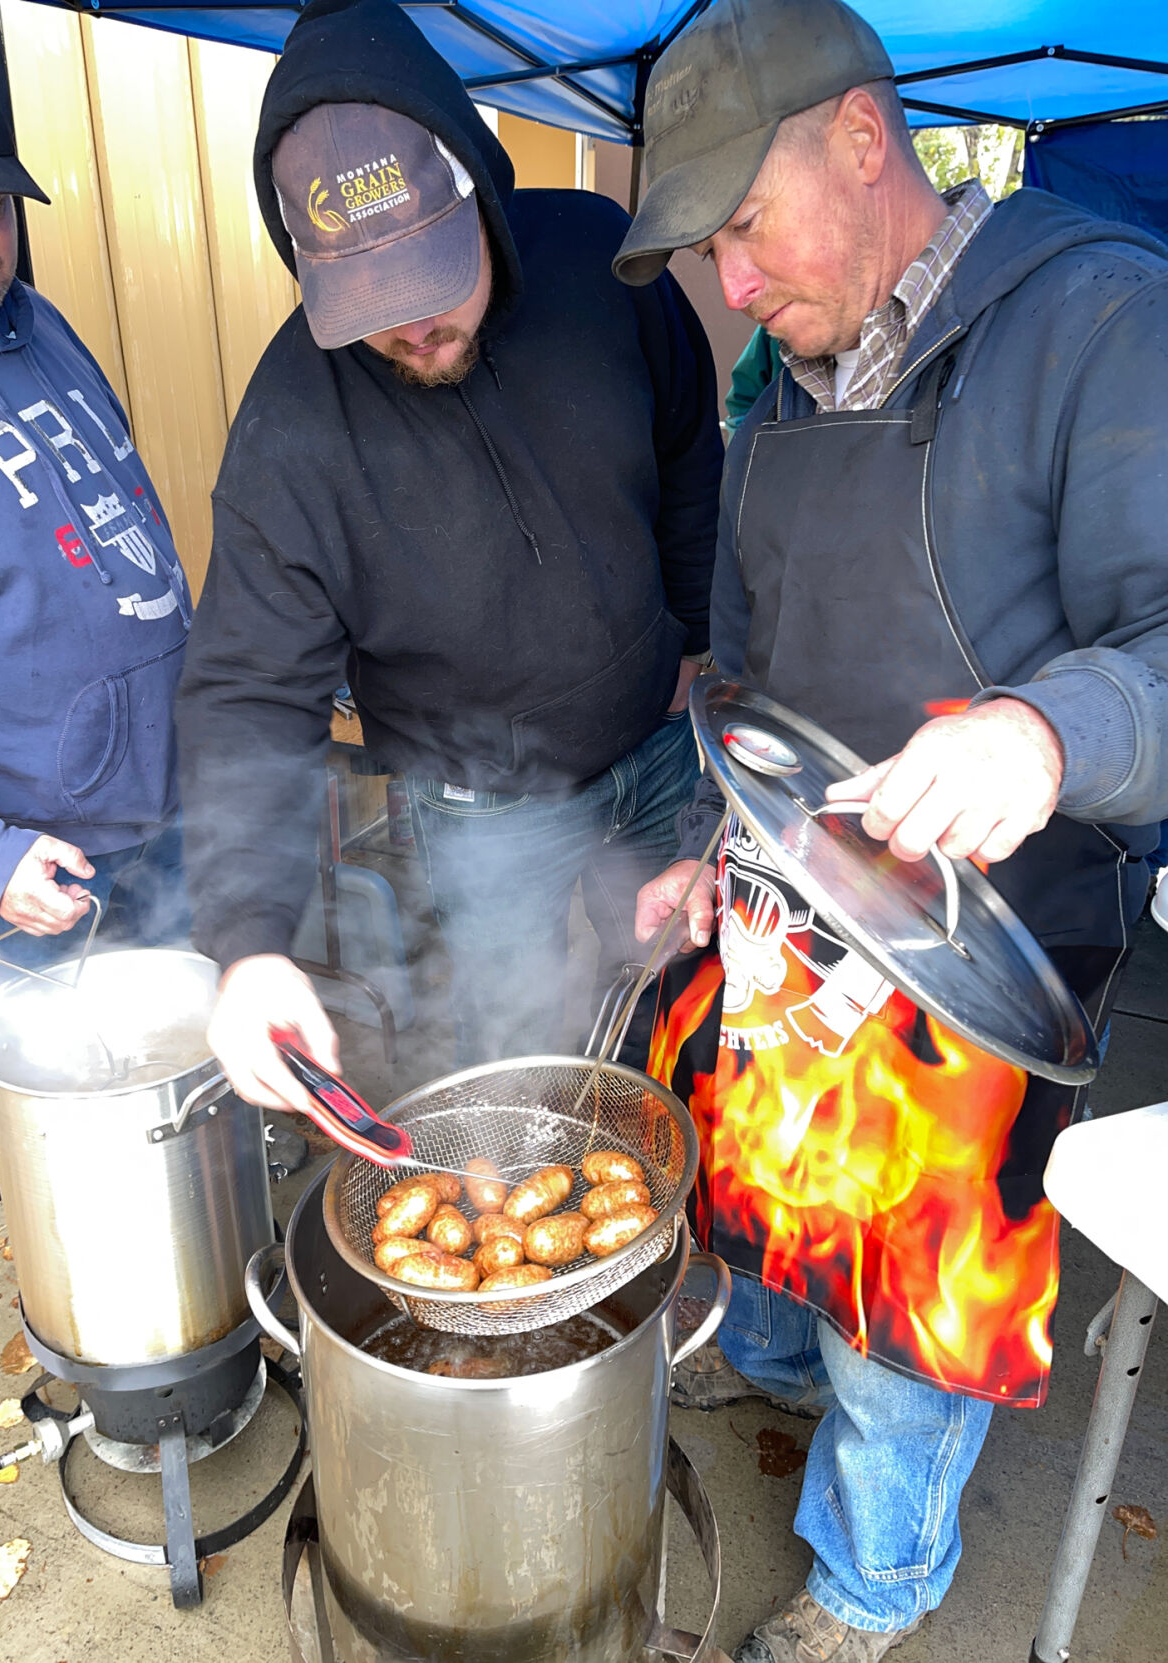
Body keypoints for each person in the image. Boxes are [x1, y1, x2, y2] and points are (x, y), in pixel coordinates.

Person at [615, 1, 1168, 1659]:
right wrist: (724, 837)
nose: (733, 278)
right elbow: (753, 664)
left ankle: (873, 1579)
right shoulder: (773, 376)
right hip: (805, 904)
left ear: (862, 140)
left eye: (741, 226)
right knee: (763, 1191)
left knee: (905, 1304)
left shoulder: (1099, 321)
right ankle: (778, 1366)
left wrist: (1046, 724)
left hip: (992, 947)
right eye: (705, 248)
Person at [175, 0, 722, 1112]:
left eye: (433, 284)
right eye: (373, 308)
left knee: (687, 1000)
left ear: (478, 190)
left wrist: (696, 640)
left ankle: (684, 1204)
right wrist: (245, 941)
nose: (415, 331)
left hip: (657, 740)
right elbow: (244, 693)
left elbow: (685, 454)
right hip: (480, 808)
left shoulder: (596, 261)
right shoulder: (291, 426)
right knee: (512, 1053)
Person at [0, 36, 191, 1131]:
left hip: (161, 818)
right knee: (68, 1149)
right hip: (26, 861)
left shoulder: (43, 326)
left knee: (174, 1108)